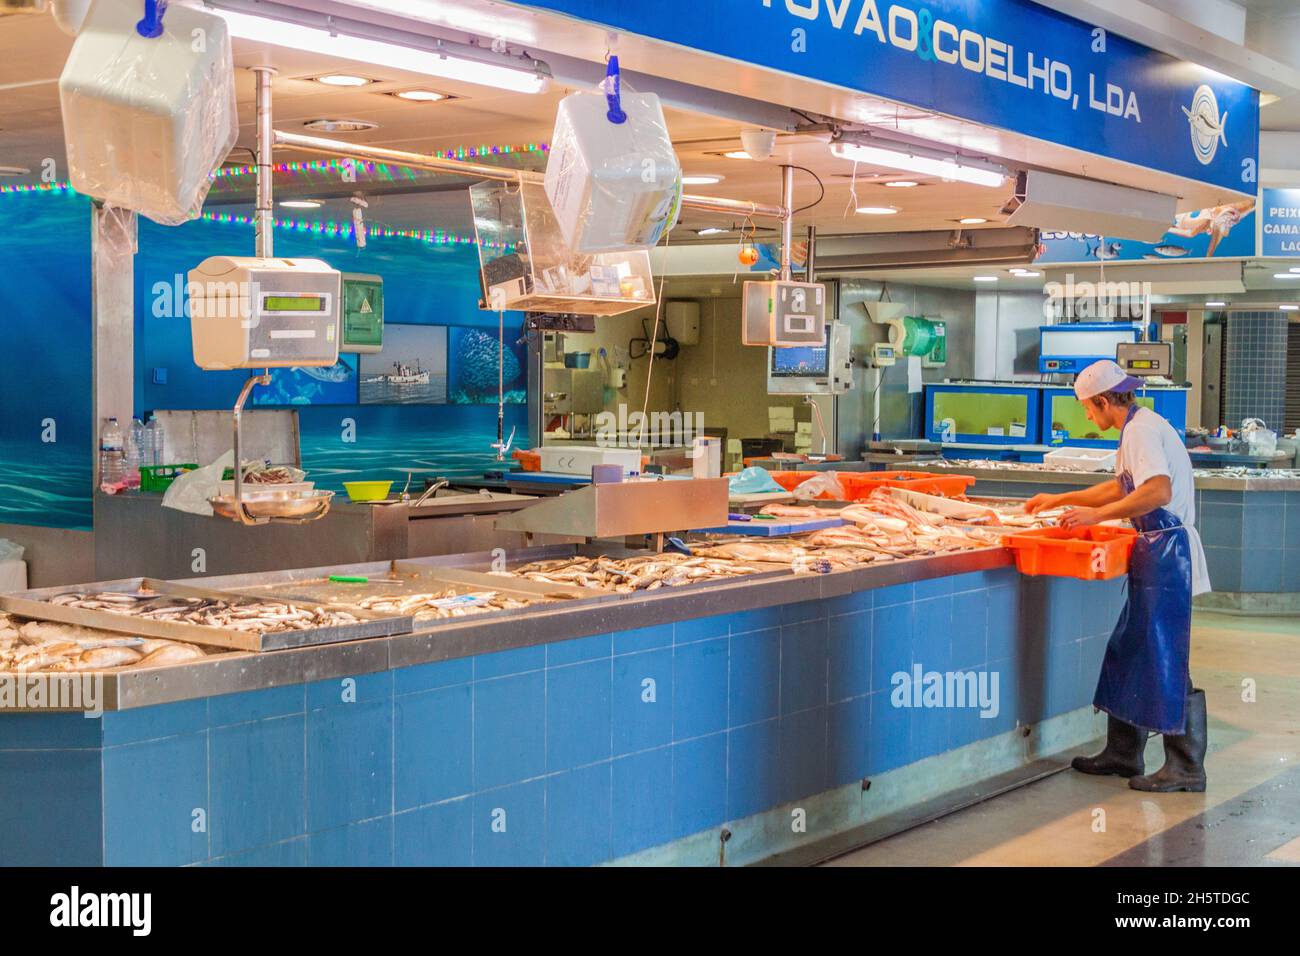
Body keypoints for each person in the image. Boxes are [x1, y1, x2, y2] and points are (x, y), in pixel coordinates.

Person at [1026, 360, 1211, 792]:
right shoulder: (1135, 429)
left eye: (1088, 409)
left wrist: (1097, 515)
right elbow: (1122, 487)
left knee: (1165, 655)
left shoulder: (1142, 430)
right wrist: (1063, 497)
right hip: (1154, 551)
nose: (1089, 417)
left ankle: (1186, 767)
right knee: (1129, 648)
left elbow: (1157, 491)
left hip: (1169, 552)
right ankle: (1124, 753)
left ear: (1104, 401)